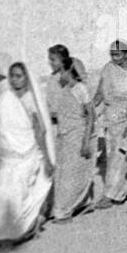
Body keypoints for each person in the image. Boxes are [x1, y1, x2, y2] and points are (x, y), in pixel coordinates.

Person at [0, 60, 54, 248]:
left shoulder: (31, 100)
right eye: (12, 75)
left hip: (26, 156)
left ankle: (22, 230)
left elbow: (40, 131)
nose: (14, 79)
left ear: (26, 78)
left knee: (19, 195)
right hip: (6, 156)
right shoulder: (4, 99)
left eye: (19, 76)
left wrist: (46, 159)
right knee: (2, 195)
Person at [45, 46, 95, 223]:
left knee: (73, 172)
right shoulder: (61, 85)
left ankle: (65, 210)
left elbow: (90, 114)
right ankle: (69, 205)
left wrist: (86, 141)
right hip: (64, 133)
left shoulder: (79, 88)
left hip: (77, 133)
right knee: (64, 172)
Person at [93, 41, 127, 208]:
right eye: (112, 55)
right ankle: (120, 189)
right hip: (111, 116)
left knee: (120, 156)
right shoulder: (108, 68)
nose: (114, 58)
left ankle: (112, 194)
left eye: (118, 54)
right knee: (112, 155)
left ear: (126, 54)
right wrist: (90, 108)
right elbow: (100, 92)